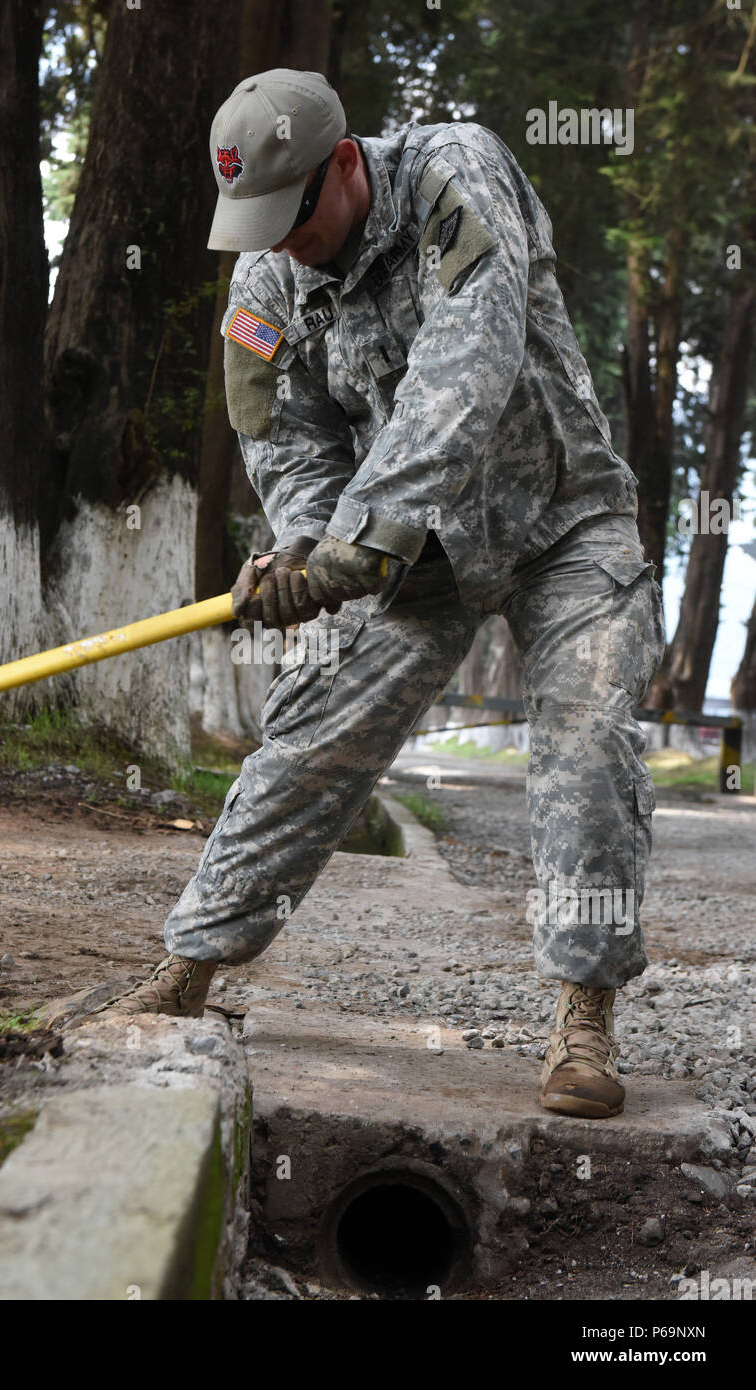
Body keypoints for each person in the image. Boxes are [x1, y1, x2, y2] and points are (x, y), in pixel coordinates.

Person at [86, 69, 666, 1120]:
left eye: (292, 215)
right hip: (413, 557)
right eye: (255, 224)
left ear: (344, 163)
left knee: (586, 740)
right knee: (308, 734)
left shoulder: (454, 173)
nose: (278, 244)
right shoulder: (263, 282)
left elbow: (468, 359)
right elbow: (283, 438)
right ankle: (191, 967)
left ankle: (584, 1011)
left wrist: (360, 535)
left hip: (562, 520)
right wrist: (304, 549)